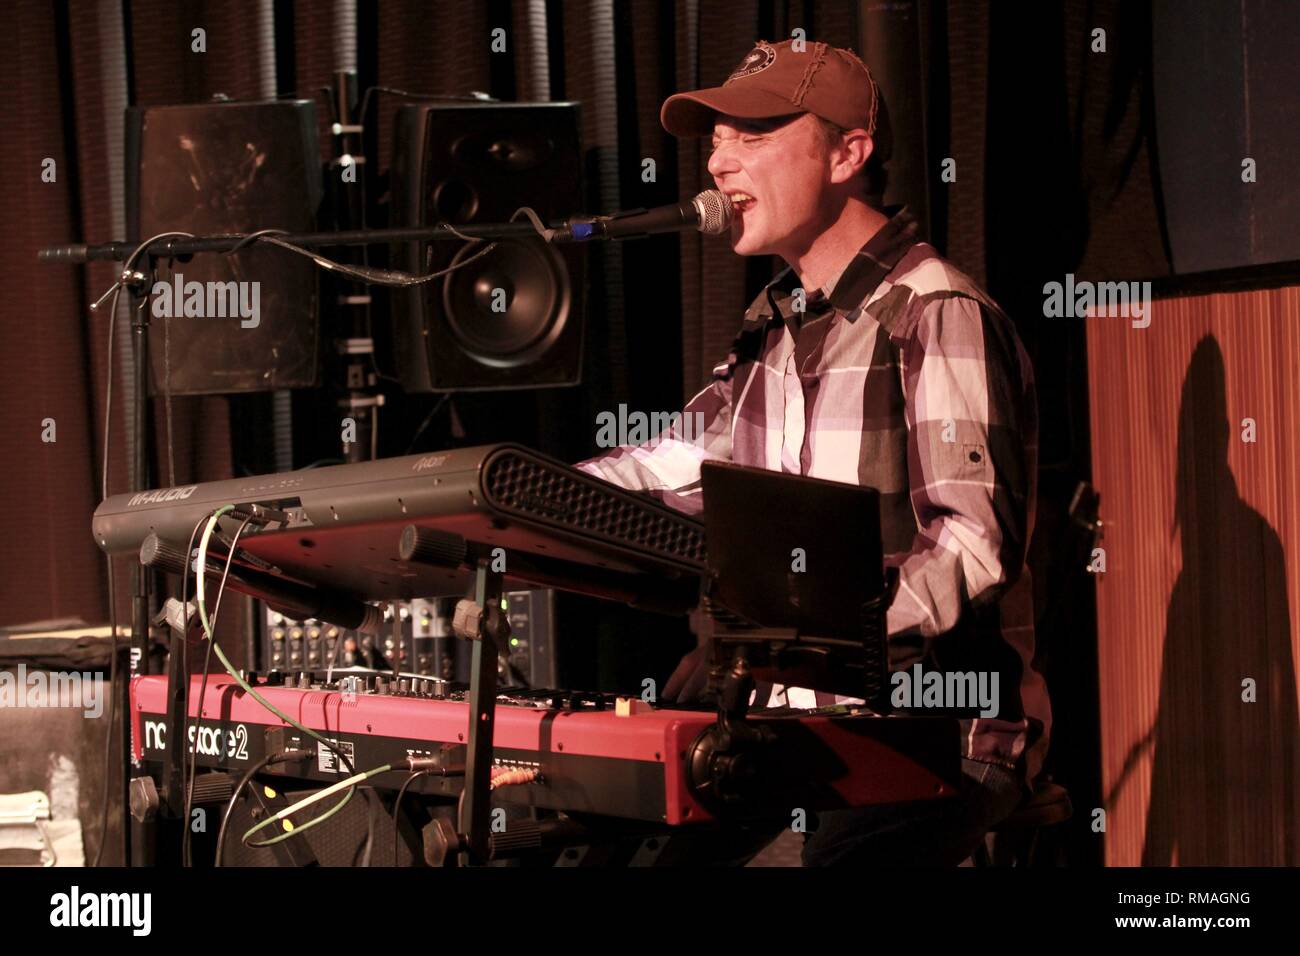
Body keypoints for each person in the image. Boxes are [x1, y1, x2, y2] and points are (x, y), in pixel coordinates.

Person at [576, 38, 1050, 866]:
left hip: (936, 734)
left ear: (847, 153)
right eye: (715, 138)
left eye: (751, 136)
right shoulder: (778, 324)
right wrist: (507, 504)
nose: (718, 161)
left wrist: (792, 638)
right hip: (795, 728)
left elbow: (972, 548)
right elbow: (668, 463)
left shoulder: (933, 311)